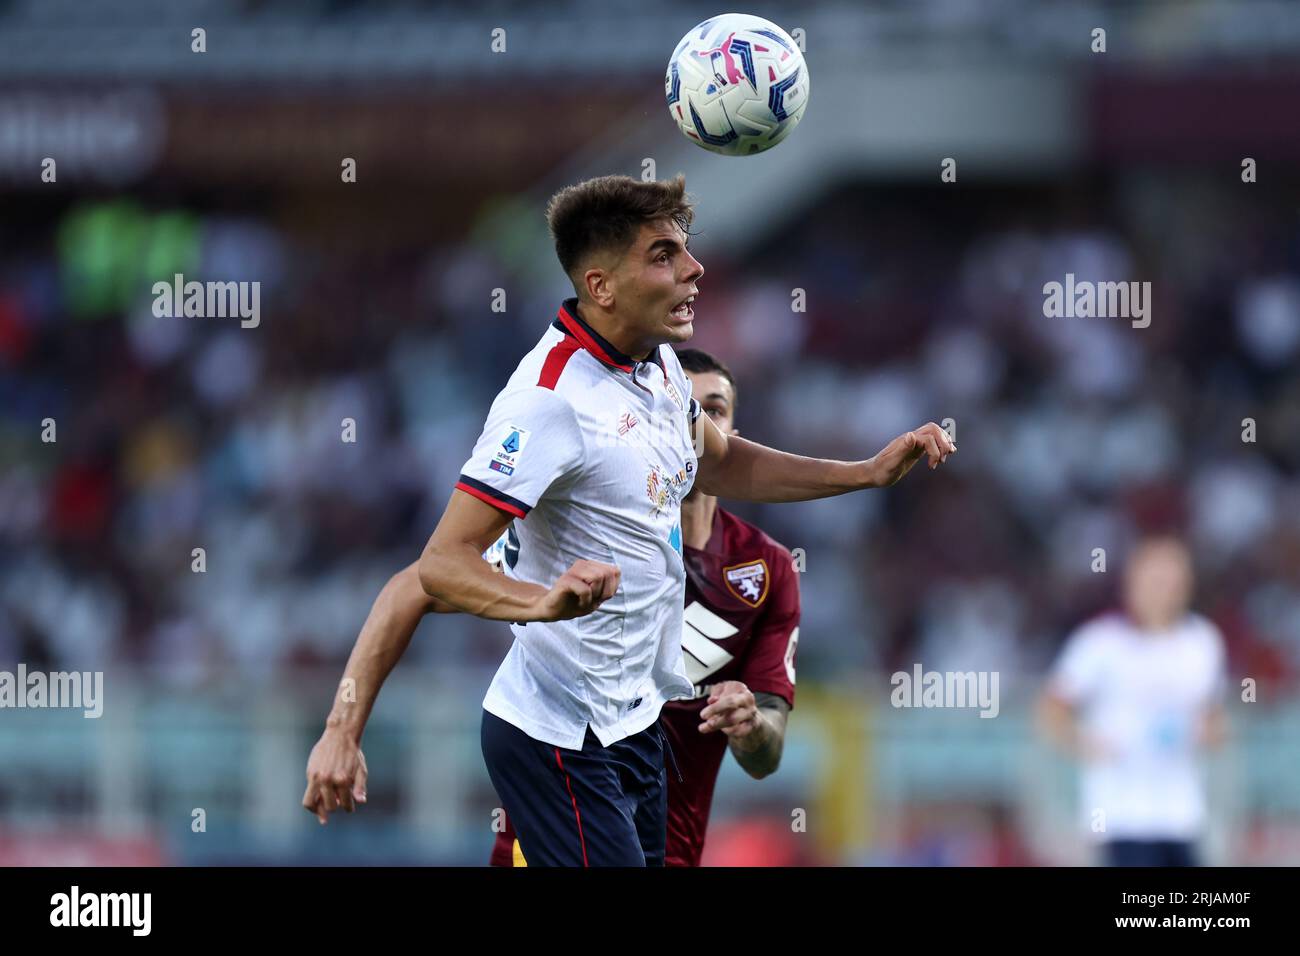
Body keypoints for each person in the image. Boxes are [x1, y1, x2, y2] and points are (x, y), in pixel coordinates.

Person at [306, 174, 954, 866]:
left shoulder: (663, 371)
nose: (694, 268)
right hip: (557, 739)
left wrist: (864, 472)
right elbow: (437, 567)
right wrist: (538, 604)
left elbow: (722, 463)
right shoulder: (549, 401)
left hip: (636, 726)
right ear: (602, 286)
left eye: (686, 250)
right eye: (664, 254)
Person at [490, 348, 801, 867]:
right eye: (682, 412)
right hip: (555, 836)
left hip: (667, 848)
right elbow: (428, 582)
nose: (694, 429)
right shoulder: (584, 532)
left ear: (733, 440)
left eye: (714, 412)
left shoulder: (766, 570)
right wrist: (344, 724)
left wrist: (750, 726)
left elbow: (767, 756)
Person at [1038, 536, 1228, 866]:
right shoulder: (1100, 642)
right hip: (1121, 813)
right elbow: (1051, 709)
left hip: (1182, 811)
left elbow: (1213, 714)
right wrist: (1083, 742)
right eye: (1154, 580)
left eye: (1172, 580)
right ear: (1132, 583)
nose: (1162, 590)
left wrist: (1208, 734)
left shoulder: (1203, 642)